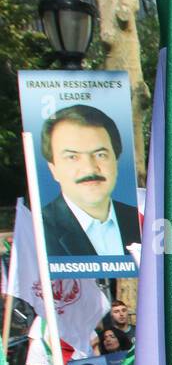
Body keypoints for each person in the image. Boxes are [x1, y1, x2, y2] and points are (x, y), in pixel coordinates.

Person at [39, 104, 140, 257]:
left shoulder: (142, 220)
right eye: (72, 157)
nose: (89, 168)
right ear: (53, 169)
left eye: (100, 155)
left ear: (116, 161)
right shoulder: (37, 230)